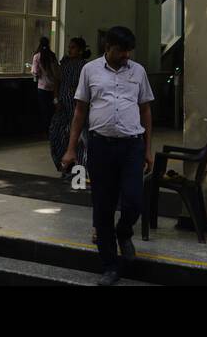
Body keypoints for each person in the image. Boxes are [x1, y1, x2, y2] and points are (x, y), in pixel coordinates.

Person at [61, 25, 154, 286]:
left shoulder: (138, 71)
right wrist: (70, 150)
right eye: (121, 50)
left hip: (132, 146)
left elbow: (145, 110)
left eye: (129, 51)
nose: (126, 55)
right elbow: (80, 111)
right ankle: (110, 266)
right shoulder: (89, 70)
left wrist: (148, 149)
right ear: (107, 48)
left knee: (134, 200)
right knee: (103, 207)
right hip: (100, 147)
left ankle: (124, 231)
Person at [49, 37, 91, 174]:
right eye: (69, 47)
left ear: (80, 50)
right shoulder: (64, 65)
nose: (69, 50)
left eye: (73, 47)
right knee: (58, 134)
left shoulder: (85, 66)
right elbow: (57, 81)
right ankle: (64, 165)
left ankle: (80, 169)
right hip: (63, 106)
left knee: (80, 137)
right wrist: (56, 99)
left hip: (77, 106)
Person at [31, 37, 60, 132]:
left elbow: (35, 72)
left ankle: (45, 131)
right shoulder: (52, 56)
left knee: (44, 111)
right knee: (52, 110)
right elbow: (57, 71)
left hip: (42, 87)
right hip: (54, 88)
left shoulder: (37, 56)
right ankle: (53, 130)